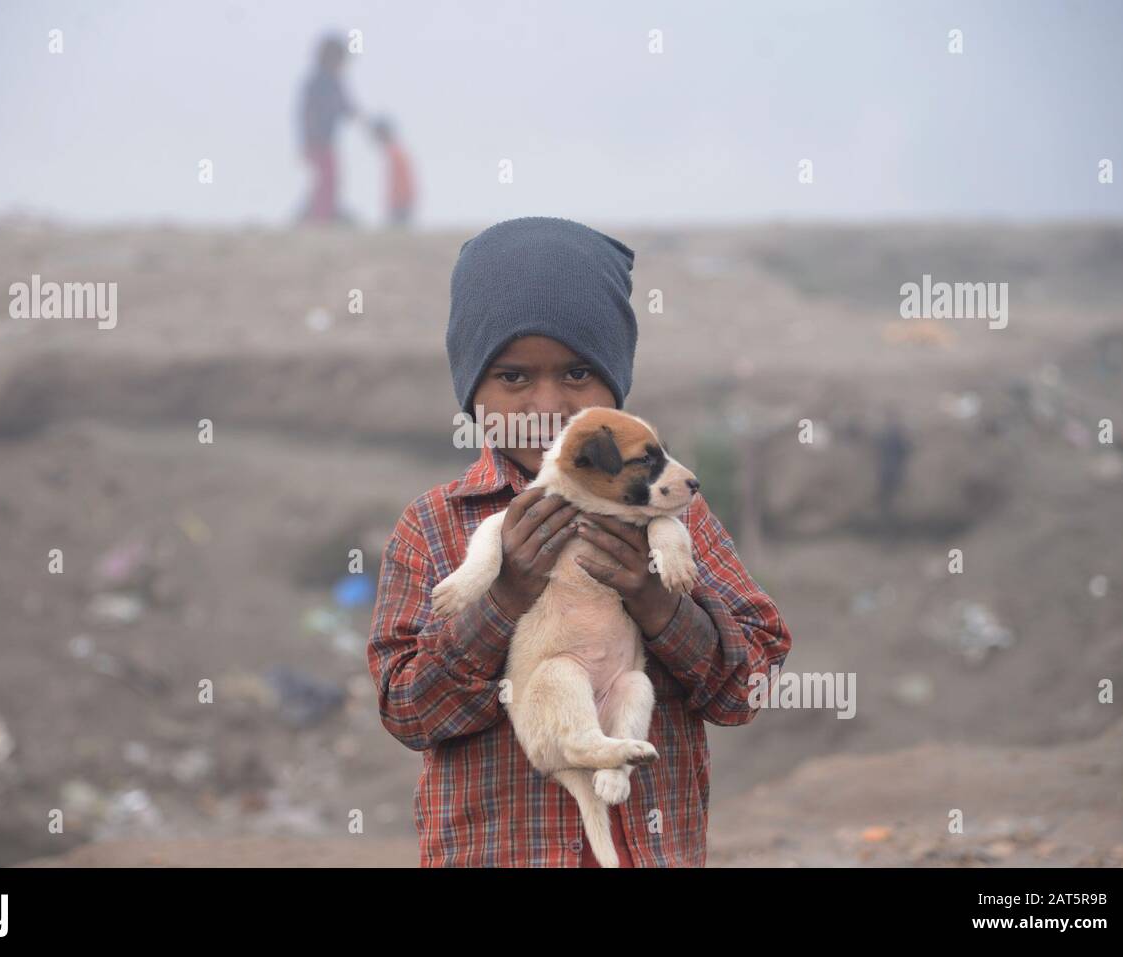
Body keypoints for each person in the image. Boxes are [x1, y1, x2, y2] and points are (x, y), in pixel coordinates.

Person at [366, 217, 793, 867]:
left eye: (578, 372)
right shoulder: (434, 527)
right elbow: (408, 711)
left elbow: (748, 688)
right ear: (471, 390)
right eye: (512, 377)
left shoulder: (671, 512)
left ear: (615, 385)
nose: (549, 404)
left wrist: (659, 606)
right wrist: (502, 600)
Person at [296, 33, 357, 225]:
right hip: (317, 141)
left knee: (327, 180)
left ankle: (319, 215)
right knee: (326, 180)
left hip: (324, 141)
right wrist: (308, 140)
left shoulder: (332, 81)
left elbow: (345, 106)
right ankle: (319, 217)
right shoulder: (318, 82)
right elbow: (307, 113)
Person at [369, 116, 416, 228]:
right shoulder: (395, 152)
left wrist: (397, 201)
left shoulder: (395, 153)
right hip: (401, 201)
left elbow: (401, 181)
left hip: (400, 202)